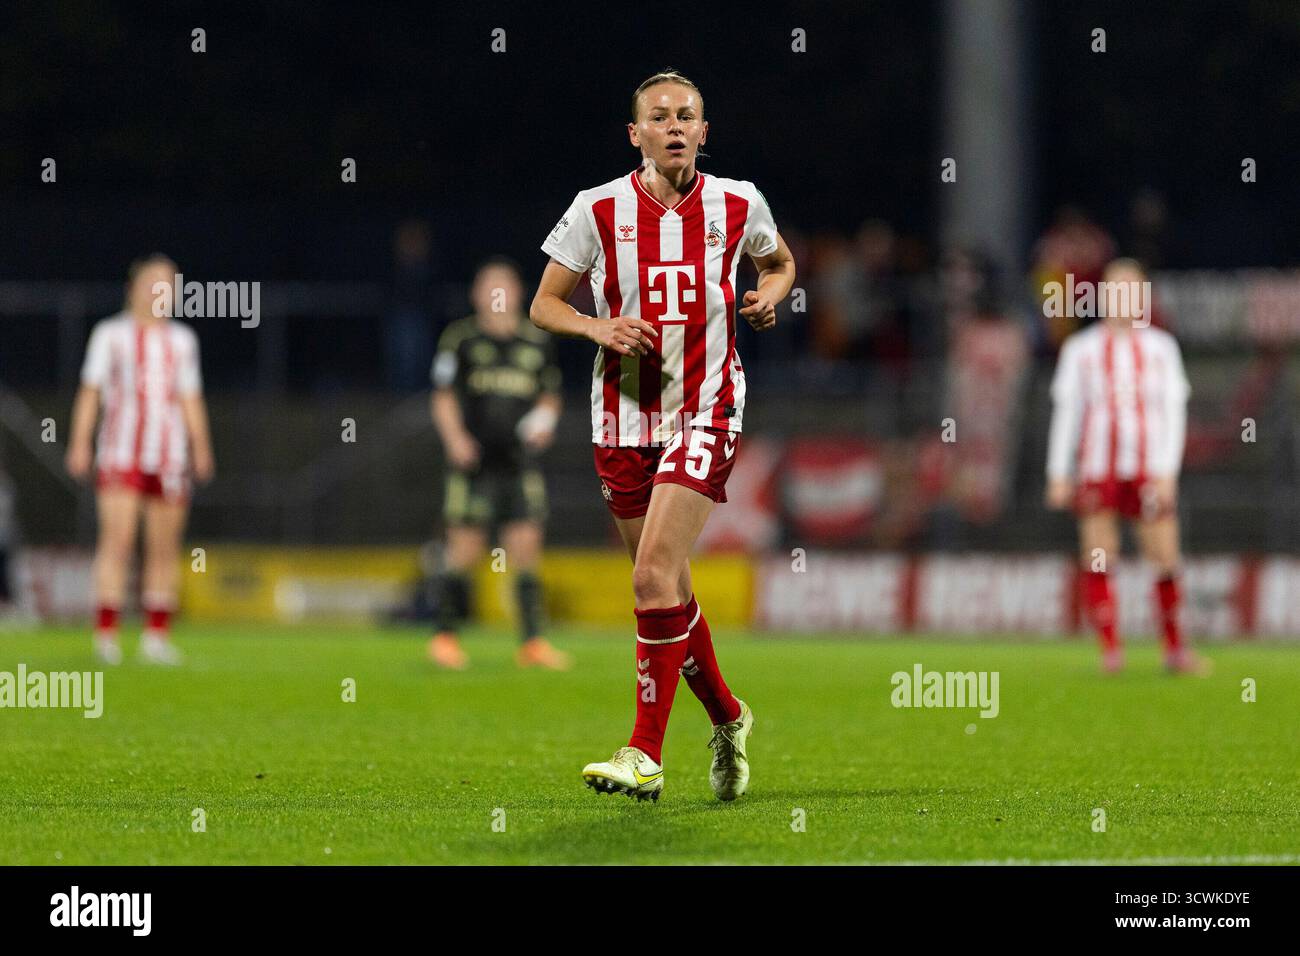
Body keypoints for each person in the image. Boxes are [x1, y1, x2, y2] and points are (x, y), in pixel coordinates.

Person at [529, 70, 796, 801]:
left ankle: (644, 753)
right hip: (621, 417)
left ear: (704, 133)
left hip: (706, 408)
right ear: (636, 134)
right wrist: (596, 324)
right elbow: (543, 304)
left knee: (650, 577)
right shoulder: (598, 209)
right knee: (666, 588)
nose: (675, 126)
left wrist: (768, 296)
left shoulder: (738, 202)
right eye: (660, 116)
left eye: (688, 116)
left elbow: (778, 263)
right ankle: (730, 718)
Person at [1045, 258, 1206, 675]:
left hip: (1149, 468)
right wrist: (1058, 472)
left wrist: (1168, 471)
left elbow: (1174, 413)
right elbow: (1068, 413)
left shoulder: (1161, 348)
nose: (1123, 298)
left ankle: (1174, 649)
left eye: (1131, 289)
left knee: (1165, 556)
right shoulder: (1080, 350)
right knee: (1099, 555)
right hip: (1098, 468)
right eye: (1116, 289)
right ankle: (1110, 651)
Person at [65, 254, 215, 665]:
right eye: (154, 282)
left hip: (168, 457)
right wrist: (79, 442)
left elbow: (190, 398)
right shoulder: (110, 334)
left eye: (169, 284)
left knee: (164, 547)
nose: (161, 292)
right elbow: (90, 391)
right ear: (134, 287)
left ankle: (156, 637)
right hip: (121, 452)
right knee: (117, 541)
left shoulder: (183, 341)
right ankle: (107, 635)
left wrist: (202, 447)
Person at [427, 257, 570, 671]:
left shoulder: (536, 342)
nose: (497, 295)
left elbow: (550, 394)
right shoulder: (461, 340)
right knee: (464, 549)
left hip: (518, 461)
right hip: (473, 461)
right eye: (488, 287)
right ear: (476, 295)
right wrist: (455, 439)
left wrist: (544, 422)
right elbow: (442, 394)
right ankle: (445, 637)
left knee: (526, 547)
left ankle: (531, 643)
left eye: (503, 286)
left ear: (518, 293)